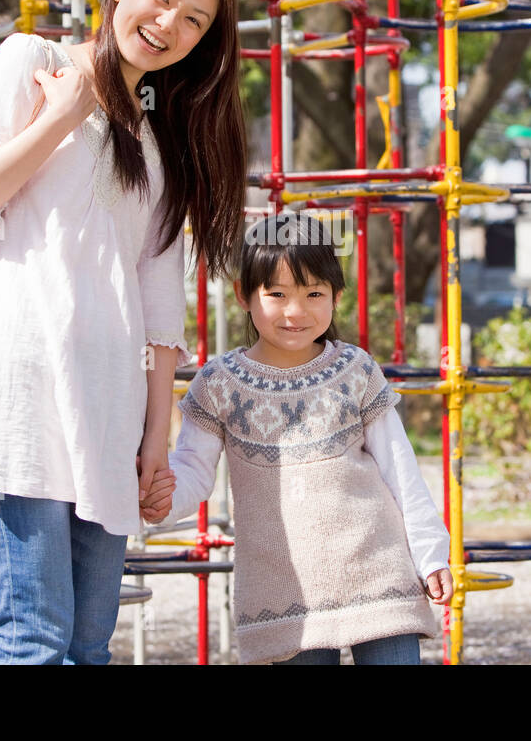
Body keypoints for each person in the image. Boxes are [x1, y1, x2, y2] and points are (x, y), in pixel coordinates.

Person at [0, 0, 247, 664]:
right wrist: (63, 114)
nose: (170, 26)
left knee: (89, 645)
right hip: (15, 401)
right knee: (34, 638)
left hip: (108, 413)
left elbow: (160, 308)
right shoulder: (33, 64)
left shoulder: (162, 138)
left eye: (195, 21)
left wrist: (155, 438)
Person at [143, 213, 453, 665]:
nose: (296, 311)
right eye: (277, 294)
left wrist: (430, 554)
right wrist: (163, 500)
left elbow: (400, 469)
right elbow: (192, 469)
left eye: (313, 294)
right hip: (286, 590)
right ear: (244, 295)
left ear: (336, 296)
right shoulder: (218, 384)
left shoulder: (356, 370)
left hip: (378, 572)